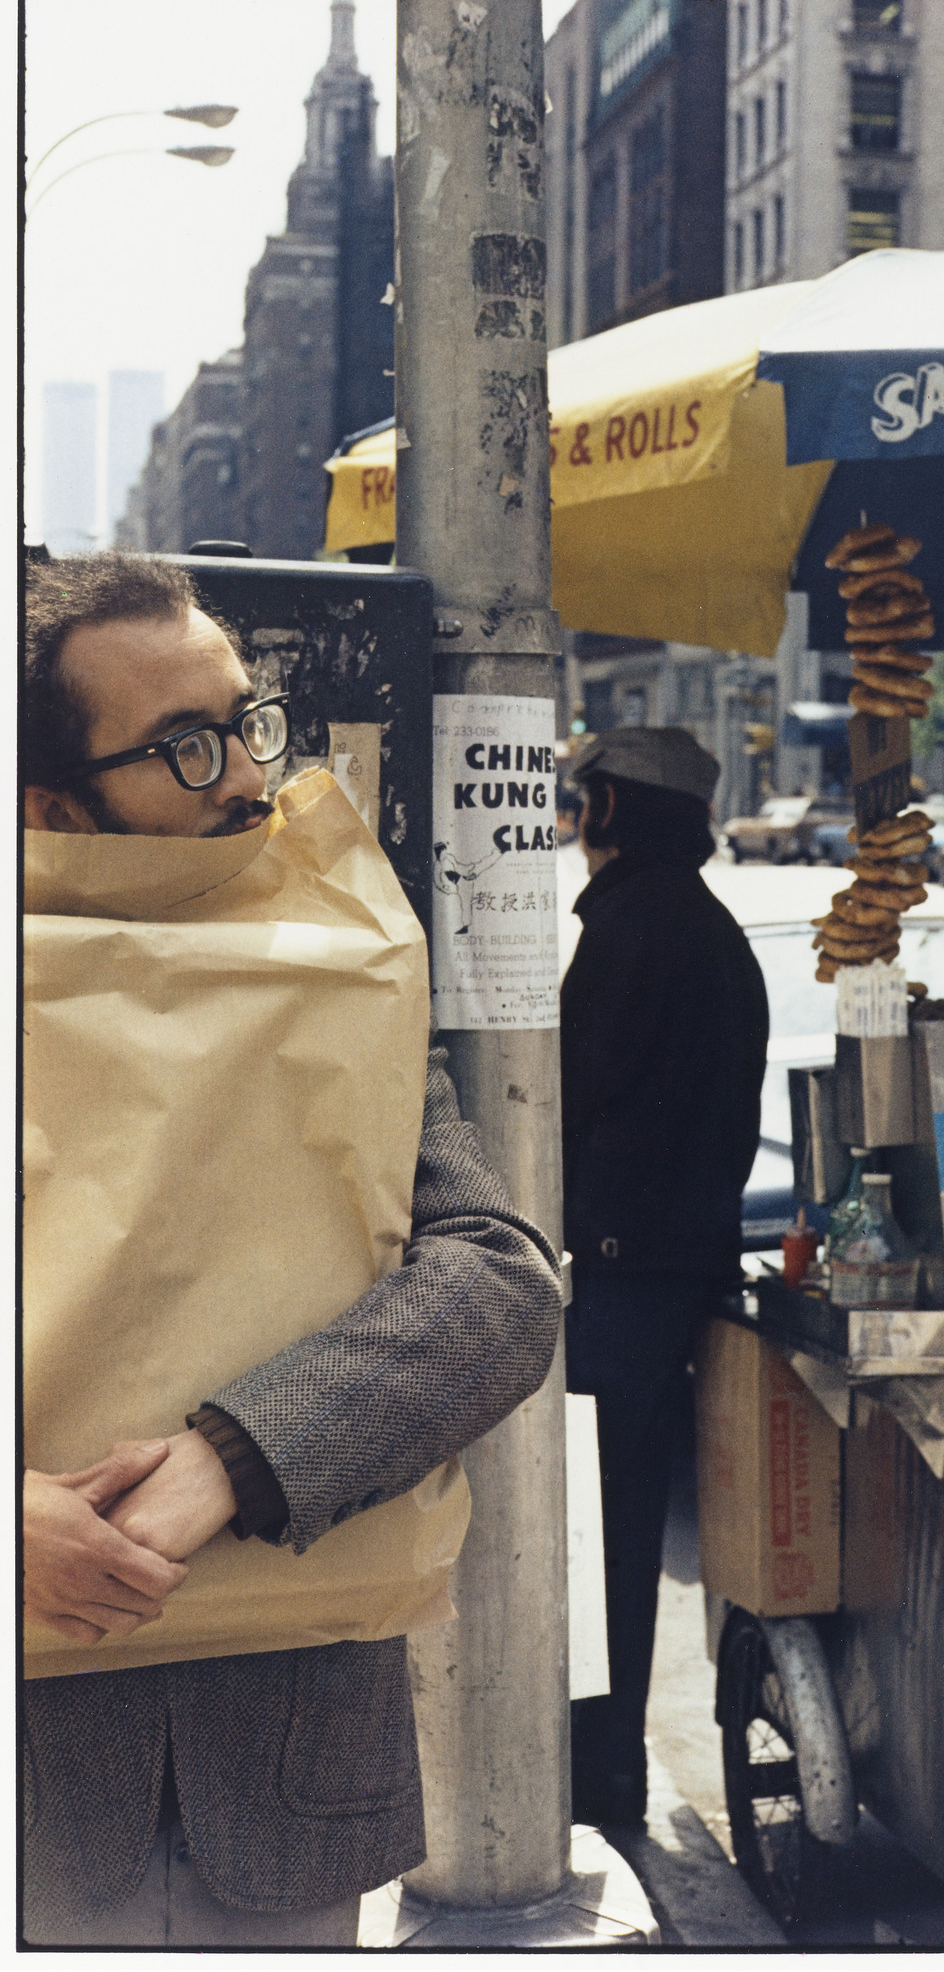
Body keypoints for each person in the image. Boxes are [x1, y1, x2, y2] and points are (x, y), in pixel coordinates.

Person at [21, 552, 564, 1945]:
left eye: (246, 725)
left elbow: (496, 1281)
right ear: (45, 803)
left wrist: (235, 1457)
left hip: (286, 1791)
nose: (245, 780)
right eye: (183, 748)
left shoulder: (328, 961)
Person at [560, 727, 769, 1827]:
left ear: (608, 807)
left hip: (618, 1279)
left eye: (579, 795)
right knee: (622, 1524)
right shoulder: (714, 932)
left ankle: (599, 1773)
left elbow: (568, 1095)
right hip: (673, 1266)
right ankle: (605, 1762)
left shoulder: (629, 926)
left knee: (601, 1533)